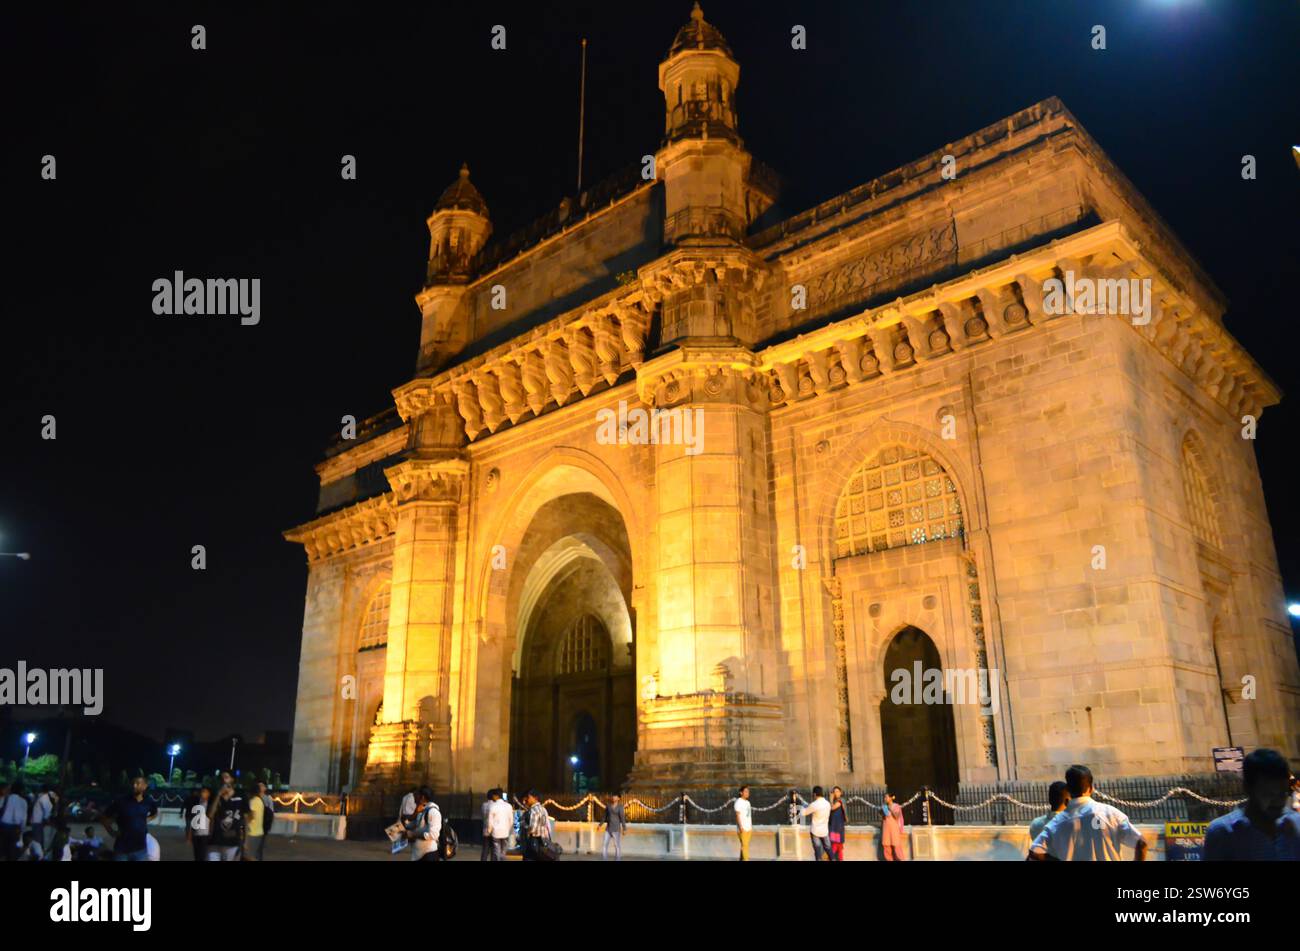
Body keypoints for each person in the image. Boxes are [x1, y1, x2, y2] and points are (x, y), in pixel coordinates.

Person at [1027, 764, 1147, 861]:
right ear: (1091, 788)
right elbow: (1141, 843)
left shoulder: (1056, 823)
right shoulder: (1111, 814)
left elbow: (1035, 852)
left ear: (1068, 790)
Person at [1204, 748, 1300, 861]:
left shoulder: (1296, 823)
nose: (1278, 801)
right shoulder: (1223, 832)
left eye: (1283, 793)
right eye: (1269, 793)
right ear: (1248, 788)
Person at [102, 775, 158, 862]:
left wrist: (146, 820)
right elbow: (104, 817)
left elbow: (155, 813)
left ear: (145, 786)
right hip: (121, 850)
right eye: (133, 783)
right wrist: (112, 832)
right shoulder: (121, 801)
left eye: (137, 783)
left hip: (140, 850)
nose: (134, 786)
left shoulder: (148, 801)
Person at [207, 782, 247, 861]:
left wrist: (245, 841)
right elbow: (210, 815)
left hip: (232, 842)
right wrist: (218, 795)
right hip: (215, 842)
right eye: (223, 786)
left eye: (228, 787)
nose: (226, 789)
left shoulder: (238, 801)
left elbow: (245, 821)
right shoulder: (217, 800)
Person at [404, 786, 442, 861]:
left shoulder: (433, 812)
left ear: (422, 797)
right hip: (419, 855)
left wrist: (413, 834)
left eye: (416, 795)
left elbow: (434, 835)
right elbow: (410, 825)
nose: (414, 798)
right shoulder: (422, 811)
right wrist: (414, 814)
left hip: (428, 855)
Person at [801, 785, 832, 861]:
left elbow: (803, 813)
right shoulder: (828, 804)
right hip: (825, 831)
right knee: (829, 850)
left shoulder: (814, 804)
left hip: (815, 831)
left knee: (818, 853)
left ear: (814, 794)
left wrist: (803, 806)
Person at [0, 781, 29, 861]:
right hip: (14, 828)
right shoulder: (23, 801)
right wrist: (22, 830)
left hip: (2, 825)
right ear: (21, 790)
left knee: (2, 849)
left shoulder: (4, 798)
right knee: (12, 851)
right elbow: (22, 818)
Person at [522, 790, 552, 861]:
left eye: (529, 797)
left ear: (535, 798)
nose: (527, 799)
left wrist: (524, 825)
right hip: (544, 840)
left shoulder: (534, 810)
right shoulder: (543, 809)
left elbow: (532, 829)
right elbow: (547, 825)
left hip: (534, 841)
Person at [485, 788, 513, 861]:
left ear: (495, 796)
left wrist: (489, 831)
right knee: (503, 852)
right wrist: (508, 829)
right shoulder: (509, 806)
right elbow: (511, 820)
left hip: (496, 833)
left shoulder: (493, 806)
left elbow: (490, 821)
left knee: (496, 851)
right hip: (505, 832)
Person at [185, 787, 212, 861]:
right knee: (196, 855)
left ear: (209, 794)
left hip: (205, 834)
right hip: (196, 834)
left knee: (203, 856)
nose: (202, 794)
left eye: (205, 792)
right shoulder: (197, 804)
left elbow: (212, 819)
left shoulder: (210, 805)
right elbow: (193, 819)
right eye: (202, 792)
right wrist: (190, 835)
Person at [881, 792, 907, 861]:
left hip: (894, 828)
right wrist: (883, 811)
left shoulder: (896, 806)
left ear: (891, 798)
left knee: (896, 845)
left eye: (886, 797)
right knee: (886, 845)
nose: (885, 799)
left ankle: (900, 859)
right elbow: (883, 817)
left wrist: (890, 809)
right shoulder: (884, 806)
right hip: (886, 828)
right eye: (884, 797)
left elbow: (896, 816)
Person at [31, 785, 57, 853]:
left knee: (37, 839)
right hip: (39, 821)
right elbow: (47, 810)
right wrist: (47, 819)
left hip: (35, 820)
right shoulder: (45, 798)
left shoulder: (38, 796)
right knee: (39, 840)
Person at [602, 793, 627, 861]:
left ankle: (617, 859)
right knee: (604, 845)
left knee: (617, 846)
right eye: (613, 796)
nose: (613, 798)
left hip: (616, 829)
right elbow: (604, 816)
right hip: (608, 829)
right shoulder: (608, 806)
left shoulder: (620, 807)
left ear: (618, 798)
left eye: (615, 796)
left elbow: (622, 818)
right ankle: (605, 859)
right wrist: (600, 824)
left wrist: (624, 828)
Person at [246, 782, 267, 861]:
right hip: (258, 832)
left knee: (250, 856)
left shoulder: (254, 801)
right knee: (255, 855)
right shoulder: (259, 800)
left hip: (252, 833)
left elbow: (250, 816)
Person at [827, 786, 847, 861]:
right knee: (838, 846)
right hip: (834, 826)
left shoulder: (841, 800)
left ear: (841, 792)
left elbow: (832, 808)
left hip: (838, 827)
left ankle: (831, 858)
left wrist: (831, 799)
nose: (836, 793)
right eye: (834, 791)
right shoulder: (835, 801)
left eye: (837, 791)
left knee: (836, 845)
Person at [734, 785, 753, 861]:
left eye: (748, 791)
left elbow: (748, 816)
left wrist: (751, 827)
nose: (747, 793)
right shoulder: (738, 802)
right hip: (743, 829)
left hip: (749, 828)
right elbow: (737, 815)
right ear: (741, 793)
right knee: (745, 847)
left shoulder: (748, 802)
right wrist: (741, 827)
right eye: (745, 791)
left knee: (744, 846)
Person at [480, 790, 495, 861]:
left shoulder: (484, 805)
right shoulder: (495, 805)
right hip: (494, 831)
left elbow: (483, 816)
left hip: (485, 830)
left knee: (485, 850)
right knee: (493, 851)